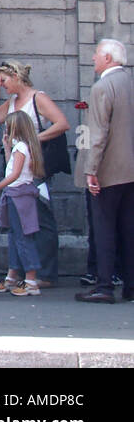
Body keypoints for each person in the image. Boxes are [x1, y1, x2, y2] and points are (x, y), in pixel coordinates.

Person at [0, 60, 68, 287]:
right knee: (22, 222)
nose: (2, 85)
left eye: (4, 80)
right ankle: (29, 271)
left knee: (41, 219)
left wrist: (33, 139)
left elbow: (61, 123)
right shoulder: (12, 102)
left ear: (16, 77)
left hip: (34, 165)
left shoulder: (38, 98)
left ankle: (46, 273)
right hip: (18, 163)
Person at [76, 39, 134, 304]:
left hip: (108, 170)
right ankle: (130, 286)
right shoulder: (129, 82)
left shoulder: (102, 87)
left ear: (108, 59)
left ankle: (105, 285)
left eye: (97, 54)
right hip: (130, 171)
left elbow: (98, 134)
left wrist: (91, 170)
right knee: (128, 229)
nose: (93, 58)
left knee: (104, 229)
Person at [0, 111, 46, 296]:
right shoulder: (24, 147)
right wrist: (7, 147)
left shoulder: (21, 148)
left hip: (17, 194)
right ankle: (15, 277)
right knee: (17, 235)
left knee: (22, 237)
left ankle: (30, 280)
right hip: (19, 194)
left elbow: (14, 174)